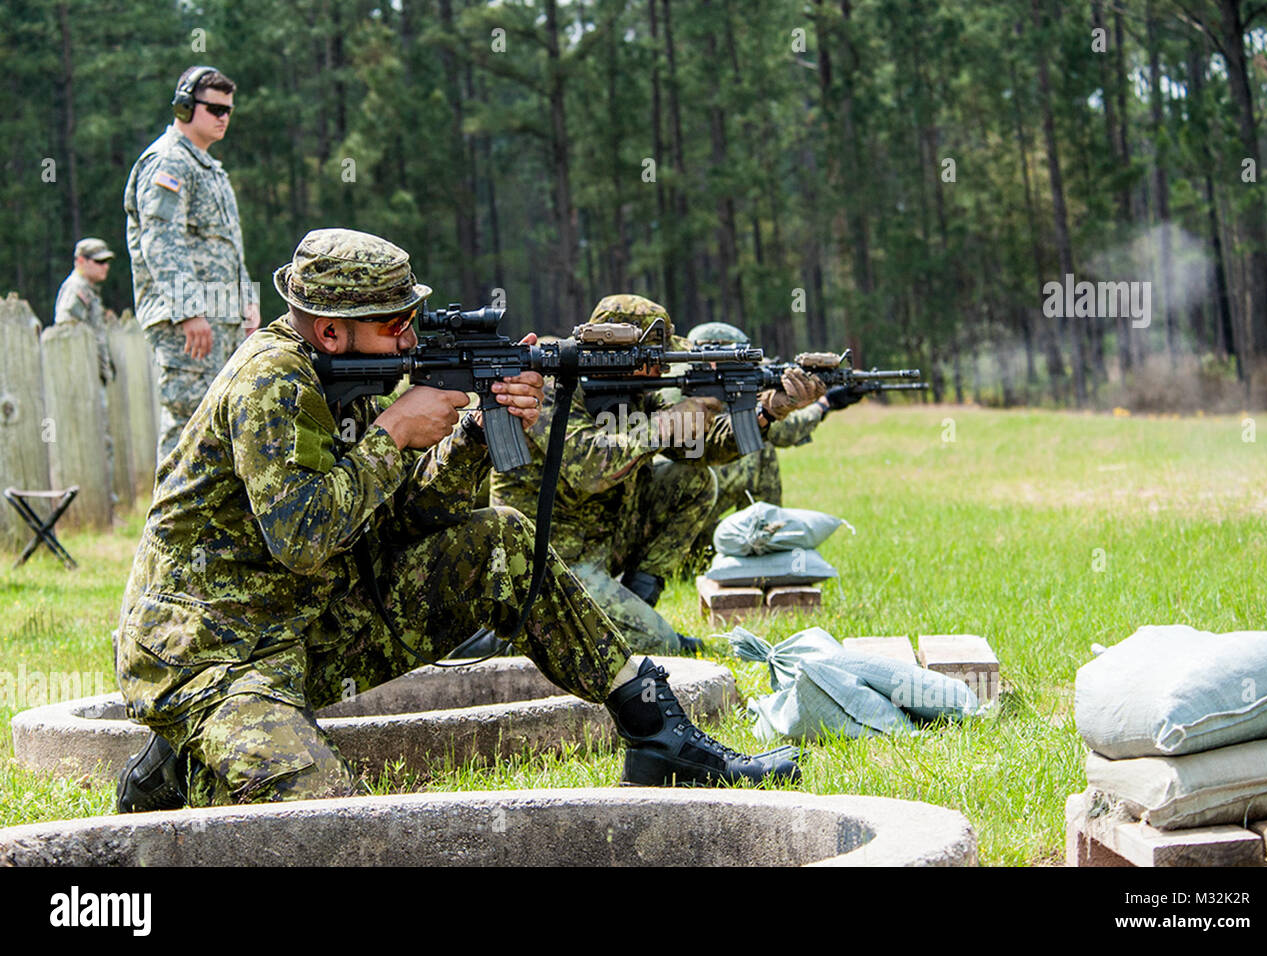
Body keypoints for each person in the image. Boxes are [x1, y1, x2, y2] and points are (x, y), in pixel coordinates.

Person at [113, 229, 798, 812]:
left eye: (413, 315)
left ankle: (658, 731)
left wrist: (472, 435)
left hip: (302, 620)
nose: (410, 336)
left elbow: (408, 523)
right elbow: (302, 538)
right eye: (394, 325)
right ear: (329, 330)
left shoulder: (357, 378)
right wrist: (394, 435)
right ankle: (186, 749)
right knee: (334, 824)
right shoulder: (274, 382)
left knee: (500, 540)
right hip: (210, 651)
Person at [489, 295, 824, 656]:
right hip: (546, 562)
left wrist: (767, 412)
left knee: (693, 481)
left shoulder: (632, 392)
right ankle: (509, 636)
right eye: (654, 357)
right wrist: (673, 419)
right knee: (661, 645)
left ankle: (635, 603)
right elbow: (589, 465)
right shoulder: (548, 384)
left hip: (600, 545)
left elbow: (700, 448)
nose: (662, 369)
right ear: (618, 354)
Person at [123, 65, 259, 464]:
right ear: (184, 108)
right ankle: (167, 527)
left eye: (228, 110)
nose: (223, 118)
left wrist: (247, 304)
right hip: (190, 324)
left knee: (222, 431)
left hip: (221, 319)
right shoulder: (168, 163)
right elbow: (160, 239)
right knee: (188, 428)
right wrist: (188, 311)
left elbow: (228, 248)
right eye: (214, 108)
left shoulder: (210, 169)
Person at [683, 321, 864, 567]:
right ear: (714, 356)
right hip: (688, 523)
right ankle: (764, 538)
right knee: (759, 448)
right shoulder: (705, 392)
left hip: (680, 523)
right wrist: (824, 405)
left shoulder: (684, 384)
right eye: (738, 356)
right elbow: (785, 432)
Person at [54, 237, 118, 504]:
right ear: (81, 261)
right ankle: (101, 506)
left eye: (107, 261)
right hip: (83, 384)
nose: (105, 266)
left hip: (92, 380)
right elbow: (67, 331)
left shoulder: (88, 291)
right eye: (98, 261)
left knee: (103, 442)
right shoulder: (76, 290)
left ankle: (105, 505)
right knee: (97, 444)